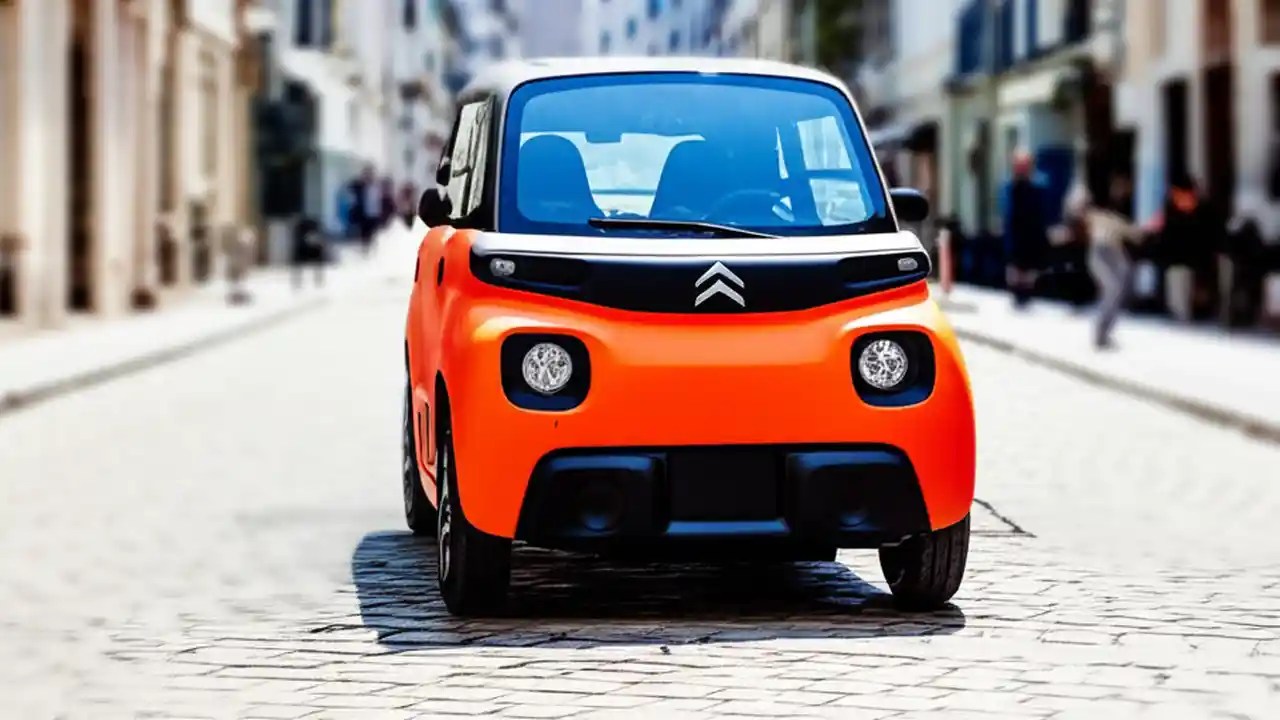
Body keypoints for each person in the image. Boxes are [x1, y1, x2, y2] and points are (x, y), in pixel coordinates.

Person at [1068, 177, 1143, 349]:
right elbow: (1078, 212)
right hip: (1101, 253)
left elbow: (1134, 233)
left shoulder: (1122, 210)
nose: (1122, 191)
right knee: (1111, 291)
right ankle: (1101, 333)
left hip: (1115, 254)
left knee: (1115, 293)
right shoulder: (1098, 211)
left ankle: (1104, 333)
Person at [1160, 174, 1225, 322]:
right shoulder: (1193, 206)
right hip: (1186, 256)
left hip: (1186, 256)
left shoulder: (1179, 206)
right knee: (1181, 289)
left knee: (1181, 290)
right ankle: (1183, 315)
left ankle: (1184, 315)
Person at [1001, 150, 1051, 309]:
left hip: (1031, 239)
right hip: (1016, 239)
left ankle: (1026, 298)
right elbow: (1008, 214)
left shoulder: (1037, 187)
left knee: (1029, 274)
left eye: (1025, 166)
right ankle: (1018, 298)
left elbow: (1042, 214)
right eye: (1019, 166)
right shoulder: (1010, 187)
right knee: (1017, 273)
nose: (1022, 169)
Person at [346, 165, 380, 257]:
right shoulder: (360, 185)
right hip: (364, 213)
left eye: (370, 174)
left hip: (374, 213)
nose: (368, 176)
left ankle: (369, 248)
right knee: (364, 231)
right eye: (367, 174)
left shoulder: (375, 186)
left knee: (371, 232)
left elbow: (378, 200)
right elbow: (351, 187)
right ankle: (365, 248)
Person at [290, 216, 326, 290]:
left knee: (316, 256)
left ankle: (318, 278)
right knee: (298, 261)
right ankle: (299, 280)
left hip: (309, 249)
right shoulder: (301, 231)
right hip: (303, 248)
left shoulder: (309, 229)